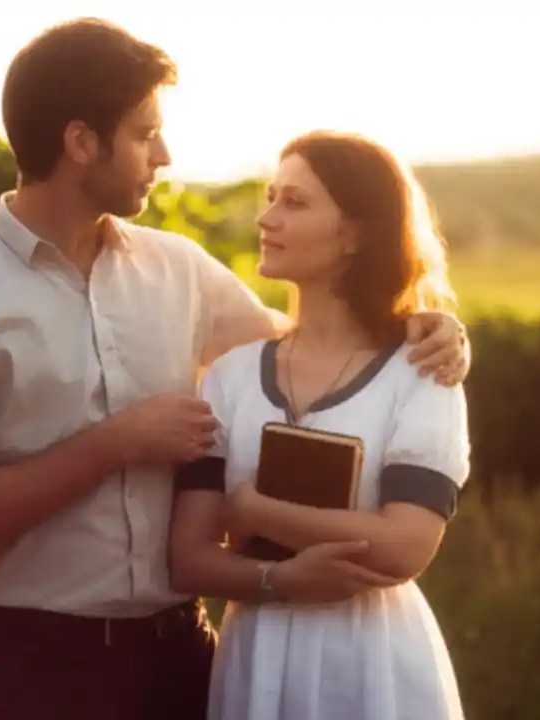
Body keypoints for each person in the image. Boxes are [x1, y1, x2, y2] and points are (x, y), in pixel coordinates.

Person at [0, 18, 470, 720]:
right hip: (35, 670)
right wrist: (117, 442)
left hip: (183, 661)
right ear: (80, 143)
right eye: (143, 133)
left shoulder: (180, 269)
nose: (163, 153)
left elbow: (315, 351)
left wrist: (426, 329)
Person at [169, 131, 471, 720]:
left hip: (371, 663)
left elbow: (405, 547)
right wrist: (281, 580)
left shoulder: (421, 371)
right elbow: (189, 559)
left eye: (295, 202)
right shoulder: (228, 377)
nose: (266, 217)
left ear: (357, 232)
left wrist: (255, 511)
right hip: (255, 660)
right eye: (271, 196)